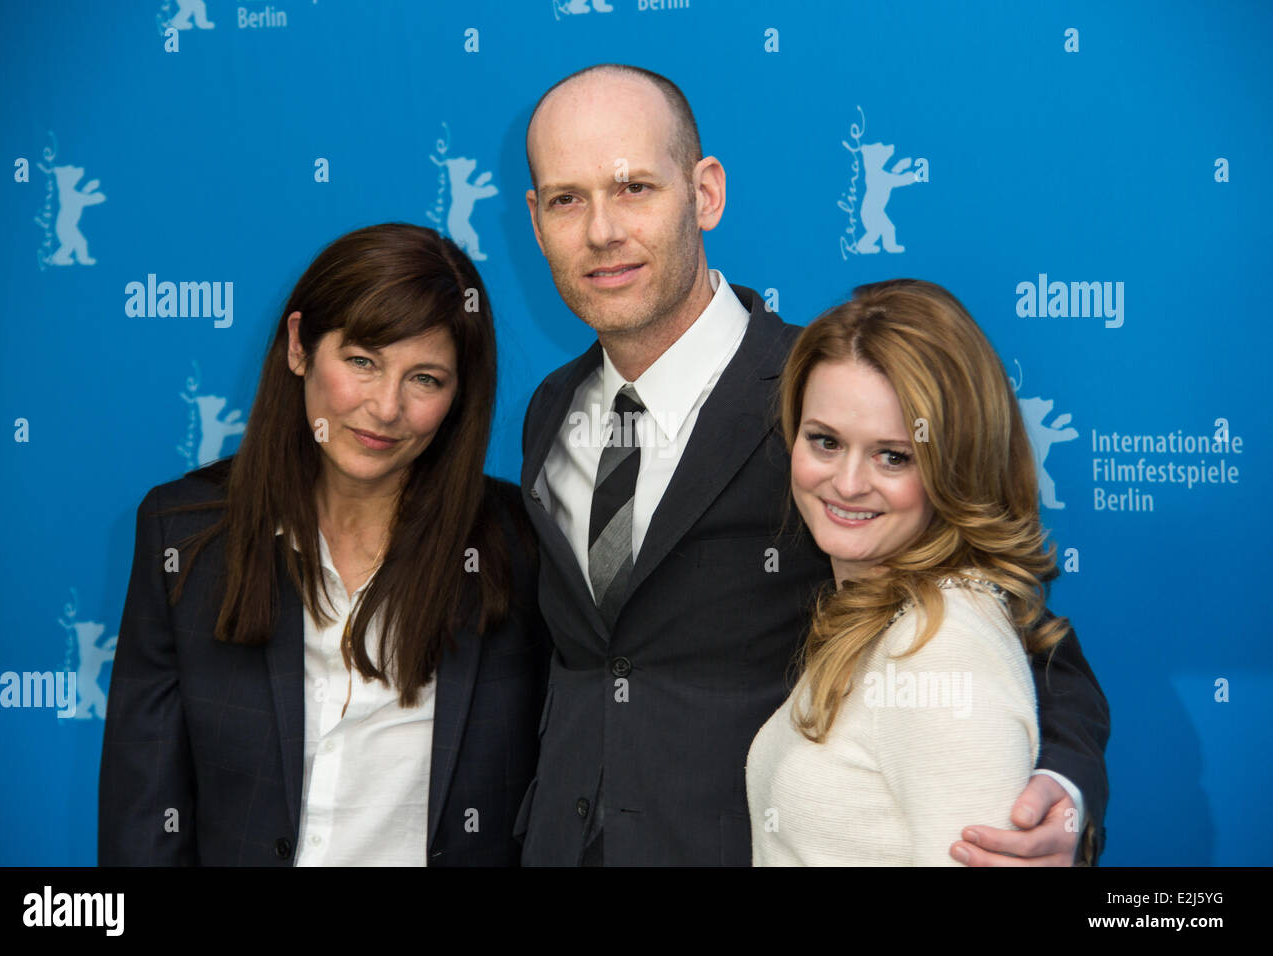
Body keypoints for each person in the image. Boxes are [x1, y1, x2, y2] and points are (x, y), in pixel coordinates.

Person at [517, 63, 1110, 866]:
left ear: (705, 193)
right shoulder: (552, 407)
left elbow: (1012, 634)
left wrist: (1061, 795)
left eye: (633, 190)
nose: (600, 232)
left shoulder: (829, 403)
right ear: (536, 218)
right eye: (567, 199)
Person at [99, 223, 548, 866]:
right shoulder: (185, 535)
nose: (385, 407)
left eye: (424, 379)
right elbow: (143, 818)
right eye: (362, 362)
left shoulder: (519, 545)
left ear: (458, 397)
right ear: (299, 347)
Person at [747, 279, 1071, 865]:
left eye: (892, 455)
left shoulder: (942, 647)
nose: (847, 484)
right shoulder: (887, 617)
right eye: (824, 441)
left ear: (957, 464)